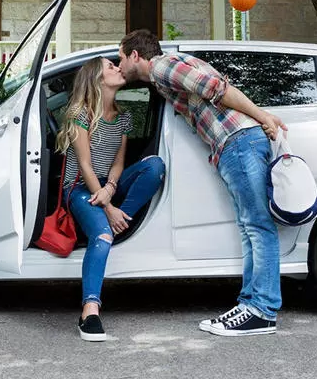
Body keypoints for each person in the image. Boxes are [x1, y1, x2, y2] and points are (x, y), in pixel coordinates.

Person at [117, 29, 287, 337]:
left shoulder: (161, 67)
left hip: (239, 141)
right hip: (234, 145)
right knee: (250, 228)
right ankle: (250, 304)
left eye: (120, 58)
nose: (119, 66)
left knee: (258, 226)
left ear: (135, 55)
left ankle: (262, 310)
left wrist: (264, 117)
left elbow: (217, 90)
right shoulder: (166, 71)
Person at [56, 56, 166, 342]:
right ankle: (89, 310)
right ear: (97, 78)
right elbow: (85, 165)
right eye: (111, 67)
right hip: (80, 188)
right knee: (103, 235)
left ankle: (118, 221)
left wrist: (111, 190)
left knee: (154, 166)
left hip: (108, 187)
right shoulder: (79, 114)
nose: (118, 68)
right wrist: (105, 201)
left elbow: (119, 162)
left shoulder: (124, 117)